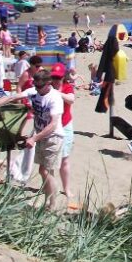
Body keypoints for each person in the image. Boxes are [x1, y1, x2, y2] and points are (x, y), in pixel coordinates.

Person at [0, 69, 64, 208]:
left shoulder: (55, 98)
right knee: (46, 171)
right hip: (41, 137)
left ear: (48, 84)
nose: (37, 89)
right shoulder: (34, 92)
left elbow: (54, 124)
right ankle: (50, 203)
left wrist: (34, 138)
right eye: (35, 86)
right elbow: (13, 97)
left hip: (53, 138)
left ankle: (52, 204)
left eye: (39, 86)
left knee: (45, 171)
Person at [51, 65, 77, 198]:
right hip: (51, 126)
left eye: (58, 77)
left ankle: (66, 188)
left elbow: (71, 99)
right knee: (49, 161)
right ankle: (51, 189)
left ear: (63, 77)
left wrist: (57, 93)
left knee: (64, 159)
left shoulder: (67, 86)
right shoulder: (47, 87)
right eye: (54, 77)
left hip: (65, 125)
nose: (56, 80)